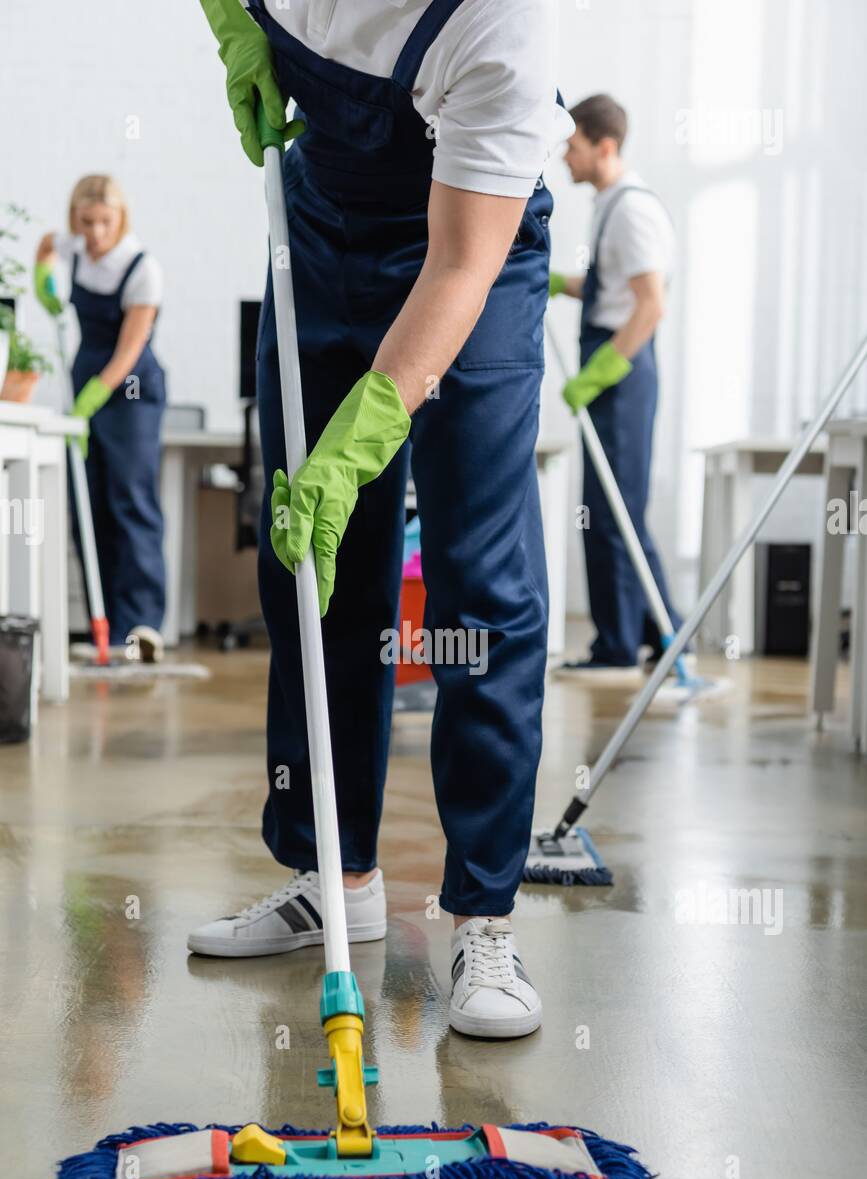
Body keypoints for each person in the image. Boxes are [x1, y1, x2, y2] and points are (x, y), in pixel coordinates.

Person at [188, 0, 573, 1040]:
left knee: (476, 581)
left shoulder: (498, 24)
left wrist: (361, 437)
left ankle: (480, 913)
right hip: (318, 224)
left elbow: (458, 268)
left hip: (466, 254)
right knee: (311, 563)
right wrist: (236, 28)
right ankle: (337, 875)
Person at [551, 94, 681, 679]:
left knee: (612, 514)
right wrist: (561, 284)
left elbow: (649, 306)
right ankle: (664, 635)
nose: (563, 157)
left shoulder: (632, 209)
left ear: (604, 146)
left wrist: (599, 373)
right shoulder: (611, 204)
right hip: (614, 366)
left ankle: (619, 648)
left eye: (572, 146)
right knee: (614, 510)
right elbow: (616, 290)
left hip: (623, 372)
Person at [35, 176, 167, 661]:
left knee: (130, 501)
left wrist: (93, 398)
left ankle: (142, 626)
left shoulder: (141, 267)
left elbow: (131, 348)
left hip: (129, 388)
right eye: (86, 222)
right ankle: (105, 629)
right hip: (84, 377)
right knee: (87, 504)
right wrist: (43, 282)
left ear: (121, 218)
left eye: (104, 222)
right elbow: (46, 247)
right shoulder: (70, 246)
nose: (94, 233)